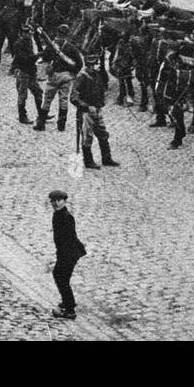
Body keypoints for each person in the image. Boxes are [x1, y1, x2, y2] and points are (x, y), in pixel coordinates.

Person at [35, 25, 82, 132]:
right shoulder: (71, 47)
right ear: (67, 34)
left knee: (47, 100)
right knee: (63, 100)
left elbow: (45, 57)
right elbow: (79, 64)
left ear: (57, 33)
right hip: (66, 76)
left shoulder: (52, 45)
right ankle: (61, 125)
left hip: (54, 76)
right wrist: (72, 74)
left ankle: (41, 124)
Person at [48, 190, 87, 320]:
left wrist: (63, 257)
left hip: (69, 252)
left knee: (61, 278)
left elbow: (69, 238)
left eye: (58, 200)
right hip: (65, 252)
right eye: (53, 201)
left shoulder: (66, 216)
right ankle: (68, 302)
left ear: (64, 201)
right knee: (61, 277)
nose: (55, 203)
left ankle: (70, 310)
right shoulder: (58, 214)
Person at [72, 65, 118, 170]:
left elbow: (101, 90)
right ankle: (88, 161)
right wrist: (86, 106)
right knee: (87, 135)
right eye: (92, 64)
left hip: (97, 109)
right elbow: (74, 97)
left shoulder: (97, 75)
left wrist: (101, 102)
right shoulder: (81, 76)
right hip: (86, 112)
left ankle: (106, 158)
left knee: (103, 133)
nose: (95, 66)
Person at [10, 23, 43, 125]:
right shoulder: (18, 44)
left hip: (31, 71)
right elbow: (24, 58)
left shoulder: (30, 41)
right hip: (23, 72)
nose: (28, 35)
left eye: (29, 33)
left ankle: (41, 114)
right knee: (22, 95)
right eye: (26, 33)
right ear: (22, 33)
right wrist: (37, 56)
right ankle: (22, 116)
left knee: (38, 92)